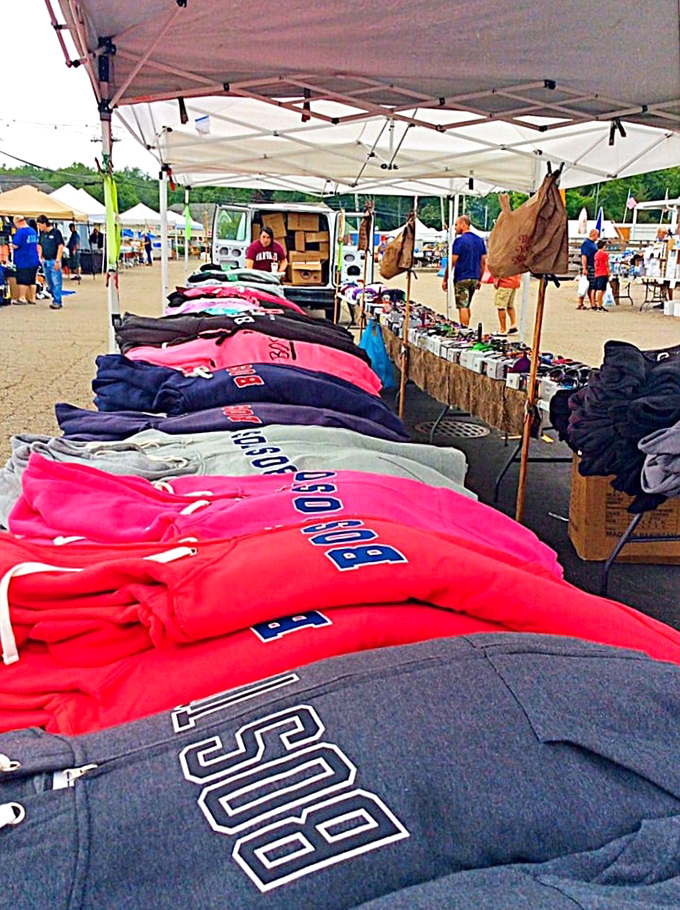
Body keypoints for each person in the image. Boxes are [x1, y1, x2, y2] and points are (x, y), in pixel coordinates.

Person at [441, 215, 487, 327]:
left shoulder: (459, 241)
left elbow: (452, 261)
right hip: (475, 277)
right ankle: (467, 327)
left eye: (456, 224)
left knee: (462, 306)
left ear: (463, 224)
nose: (455, 228)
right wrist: (480, 279)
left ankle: (464, 330)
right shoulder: (479, 241)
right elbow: (483, 262)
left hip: (462, 277)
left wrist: (445, 278)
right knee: (467, 305)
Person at [10, 215, 40, 305]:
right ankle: (32, 298)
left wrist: (10, 245)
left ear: (18, 222)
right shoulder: (32, 231)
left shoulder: (20, 232)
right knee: (32, 280)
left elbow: (16, 245)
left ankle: (22, 298)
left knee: (23, 280)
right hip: (34, 259)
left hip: (23, 260)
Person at [36, 215, 64, 310]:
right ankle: (54, 296)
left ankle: (57, 301)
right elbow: (40, 245)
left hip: (53, 260)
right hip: (45, 261)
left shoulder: (56, 233)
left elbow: (60, 246)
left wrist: (58, 260)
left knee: (56, 281)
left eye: (40, 225)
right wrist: (40, 256)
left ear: (44, 224)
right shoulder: (42, 234)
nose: (39, 227)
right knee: (49, 282)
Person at [578, 228, 599, 310]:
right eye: (597, 235)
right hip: (589, 266)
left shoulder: (593, 244)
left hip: (593, 266)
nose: (598, 237)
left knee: (589, 285)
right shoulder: (587, 243)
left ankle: (588, 302)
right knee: (588, 285)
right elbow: (584, 256)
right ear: (593, 235)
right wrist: (584, 268)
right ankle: (588, 302)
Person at [592, 239, 610, 312]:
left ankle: (594, 303)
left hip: (597, 272)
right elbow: (606, 264)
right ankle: (600, 304)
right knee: (601, 289)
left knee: (595, 288)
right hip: (603, 272)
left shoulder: (596, 254)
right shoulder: (604, 254)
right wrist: (608, 273)